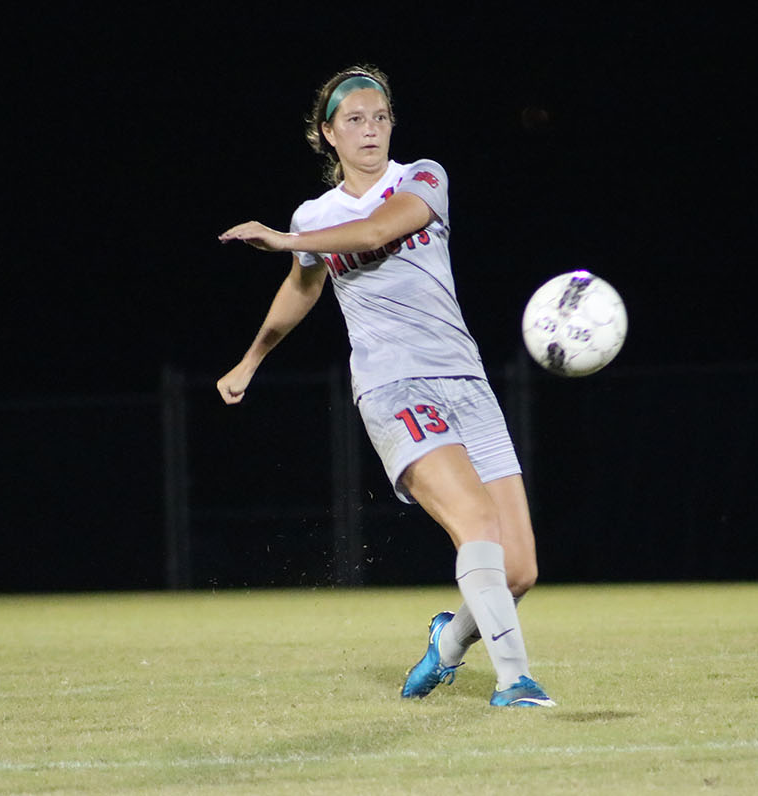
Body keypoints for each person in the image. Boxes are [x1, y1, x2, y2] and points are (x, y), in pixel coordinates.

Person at [216, 65, 554, 708]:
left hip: (466, 381)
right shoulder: (317, 215)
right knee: (475, 522)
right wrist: (251, 359)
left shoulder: (423, 178)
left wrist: (286, 239)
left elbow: (377, 230)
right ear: (328, 135)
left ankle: (447, 644)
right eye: (354, 120)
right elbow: (302, 286)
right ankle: (517, 682)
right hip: (394, 386)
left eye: (379, 117)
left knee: (518, 570)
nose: (370, 130)